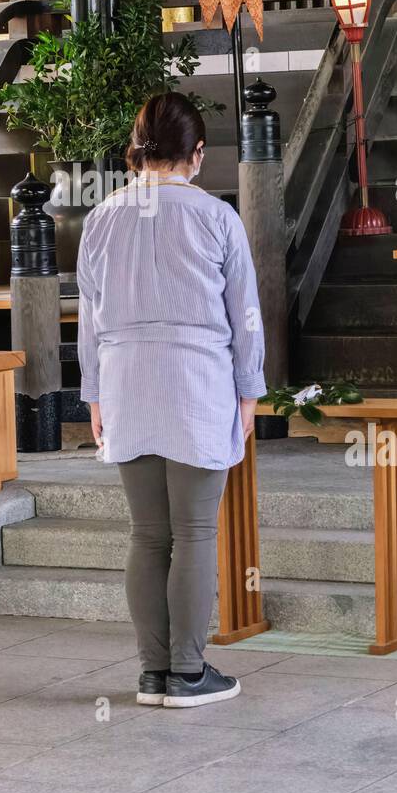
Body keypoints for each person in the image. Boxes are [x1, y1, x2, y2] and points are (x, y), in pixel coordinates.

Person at [77, 93, 266, 709]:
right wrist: (249, 390)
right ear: (198, 155)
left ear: (137, 150)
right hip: (196, 380)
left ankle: (153, 672)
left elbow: (89, 319)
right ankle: (187, 671)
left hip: (125, 379)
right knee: (193, 531)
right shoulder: (216, 217)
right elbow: (246, 317)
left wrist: (93, 393)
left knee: (147, 534)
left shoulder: (101, 217)